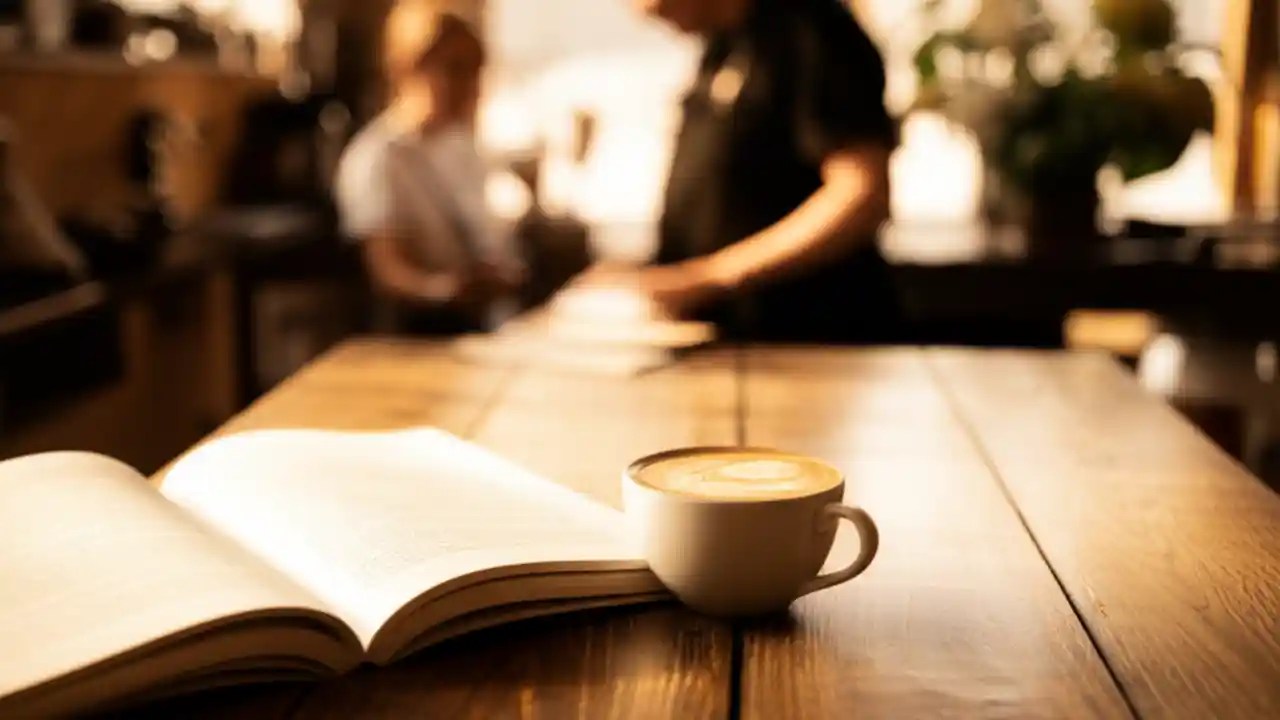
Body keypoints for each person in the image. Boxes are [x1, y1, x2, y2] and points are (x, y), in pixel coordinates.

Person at [613, 0, 901, 343]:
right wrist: (653, 277)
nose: (642, 11)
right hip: (725, 337)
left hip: (807, 340)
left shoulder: (812, 34)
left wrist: (714, 276)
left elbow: (861, 195)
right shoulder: (721, 47)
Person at [335, 1, 521, 335]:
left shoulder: (462, 149)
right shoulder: (376, 157)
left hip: (473, 328)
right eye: (454, 68)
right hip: (414, 334)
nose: (469, 86)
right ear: (407, 67)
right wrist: (449, 291)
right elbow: (387, 271)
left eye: (474, 71)